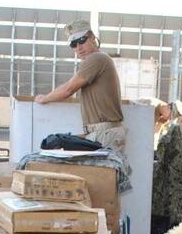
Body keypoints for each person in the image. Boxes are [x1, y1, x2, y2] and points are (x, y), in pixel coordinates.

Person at [35, 19, 125, 152]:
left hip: (104, 133)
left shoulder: (96, 59)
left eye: (82, 40)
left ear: (93, 38)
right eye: (73, 44)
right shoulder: (100, 59)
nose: (79, 47)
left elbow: (68, 89)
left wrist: (44, 98)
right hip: (102, 132)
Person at [150, 98, 182, 234]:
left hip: (171, 172)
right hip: (172, 171)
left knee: (169, 201)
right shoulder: (167, 124)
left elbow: (162, 151)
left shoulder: (171, 128)